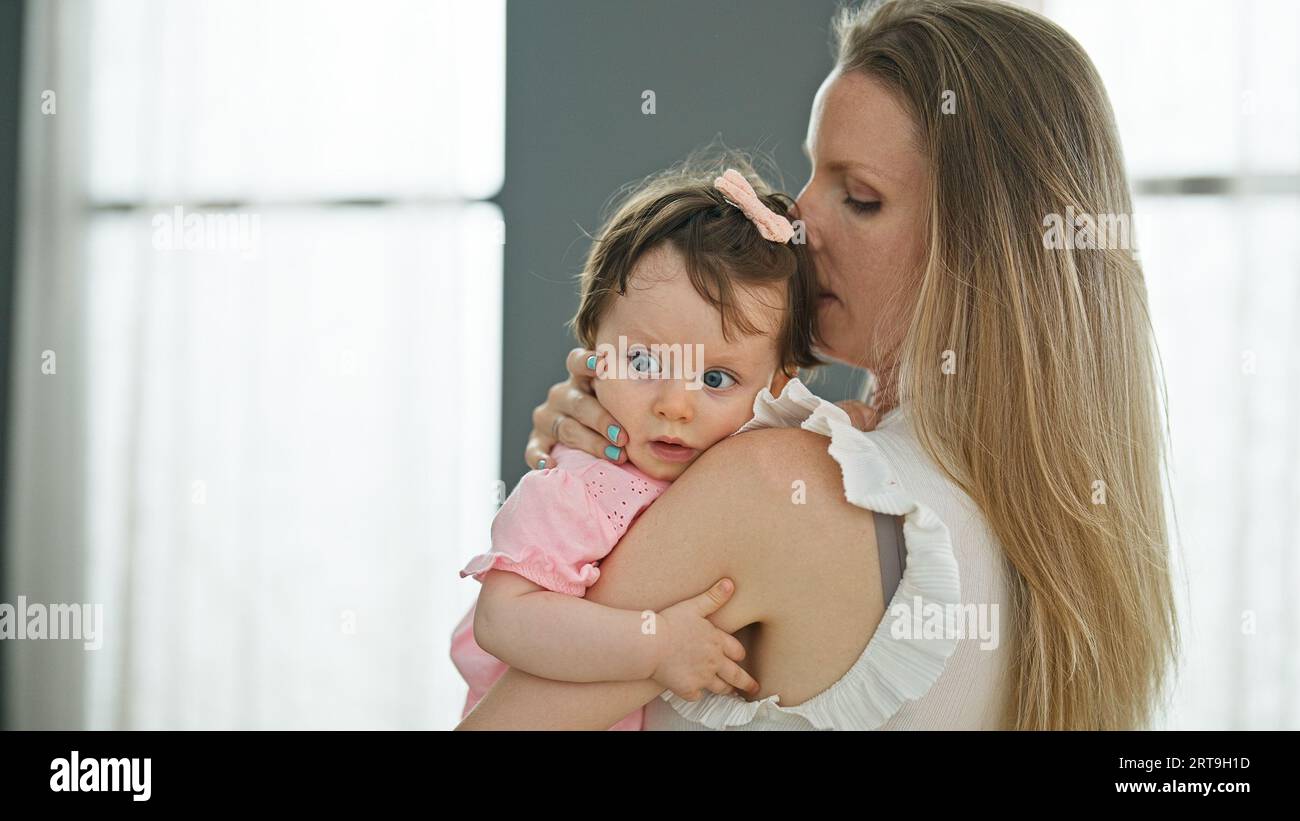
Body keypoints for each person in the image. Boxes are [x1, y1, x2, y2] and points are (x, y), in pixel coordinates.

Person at [459, 0, 1179, 731]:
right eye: (810, 175)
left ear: (981, 251)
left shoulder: (778, 484)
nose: (798, 221)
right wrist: (613, 465)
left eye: (859, 197)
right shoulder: (1049, 536)